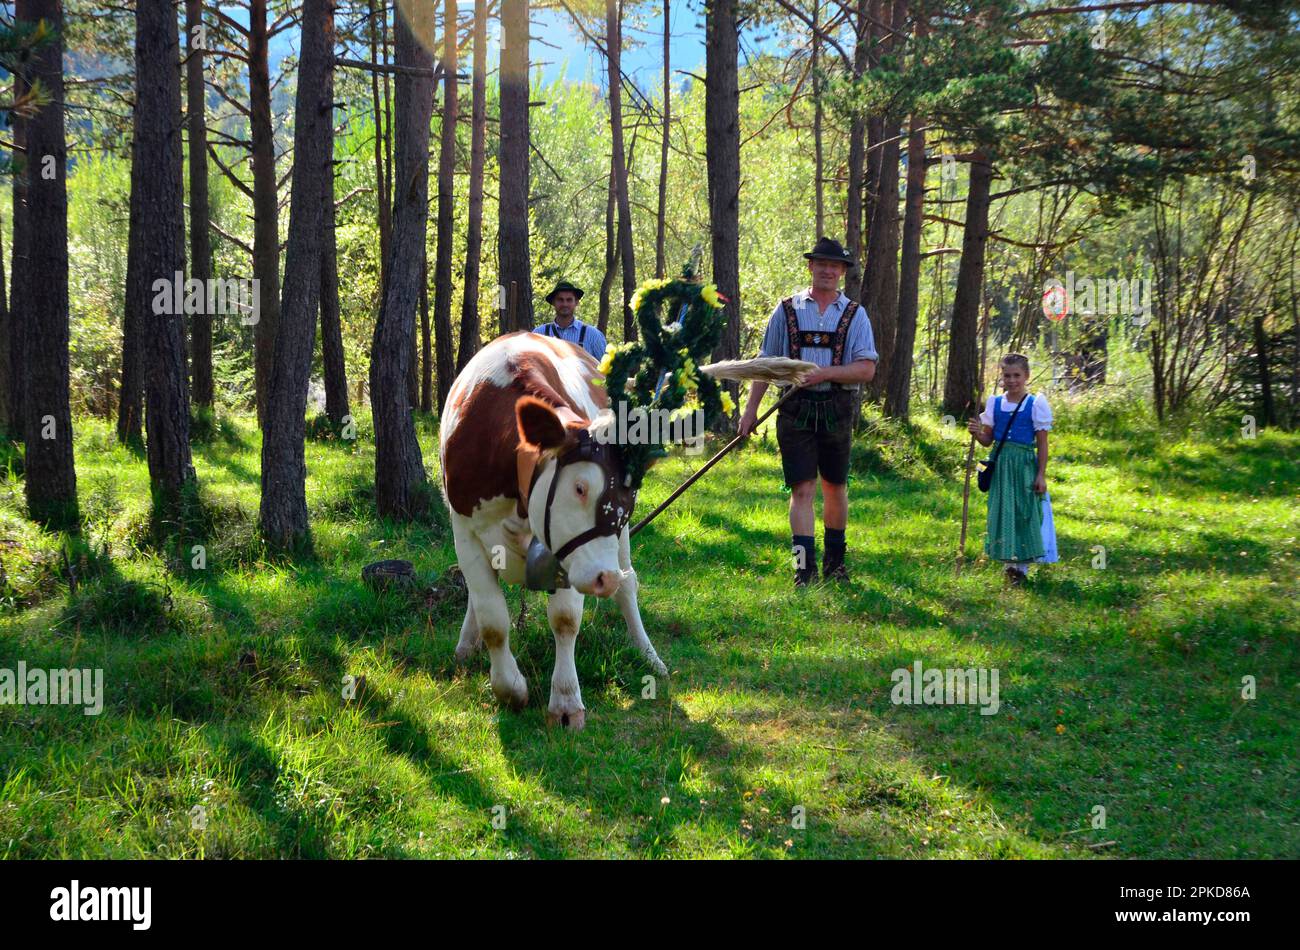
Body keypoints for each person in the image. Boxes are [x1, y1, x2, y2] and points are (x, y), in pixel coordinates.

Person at [738, 236, 878, 587]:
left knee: (835, 487)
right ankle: (803, 569)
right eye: (822, 264)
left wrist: (825, 373)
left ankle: (835, 564)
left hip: (837, 409)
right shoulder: (786, 310)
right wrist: (750, 411)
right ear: (810, 267)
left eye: (835, 266)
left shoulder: (854, 314)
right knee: (801, 490)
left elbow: (866, 369)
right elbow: (766, 364)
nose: (828, 270)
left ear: (842, 271)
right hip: (794, 410)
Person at [966, 353, 1059, 586]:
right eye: (1007, 375)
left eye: (1017, 375)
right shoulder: (995, 403)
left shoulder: (1035, 404)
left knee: (1024, 510)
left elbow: (1042, 443)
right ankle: (1009, 565)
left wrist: (1040, 474)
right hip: (1001, 466)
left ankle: (1023, 566)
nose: (1012, 380)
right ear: (1002, 377)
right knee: (1003, 509)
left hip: (1024, 465)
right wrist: (977, 432)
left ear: (1026, 376)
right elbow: (988, 440)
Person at [533, 280, 607, 360]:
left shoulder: (593, 335)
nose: (565, 304)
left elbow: (607, 369)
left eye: (569, 300)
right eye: (560, 300)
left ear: (576, 302)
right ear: (553, 302)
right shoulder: (538, 334)